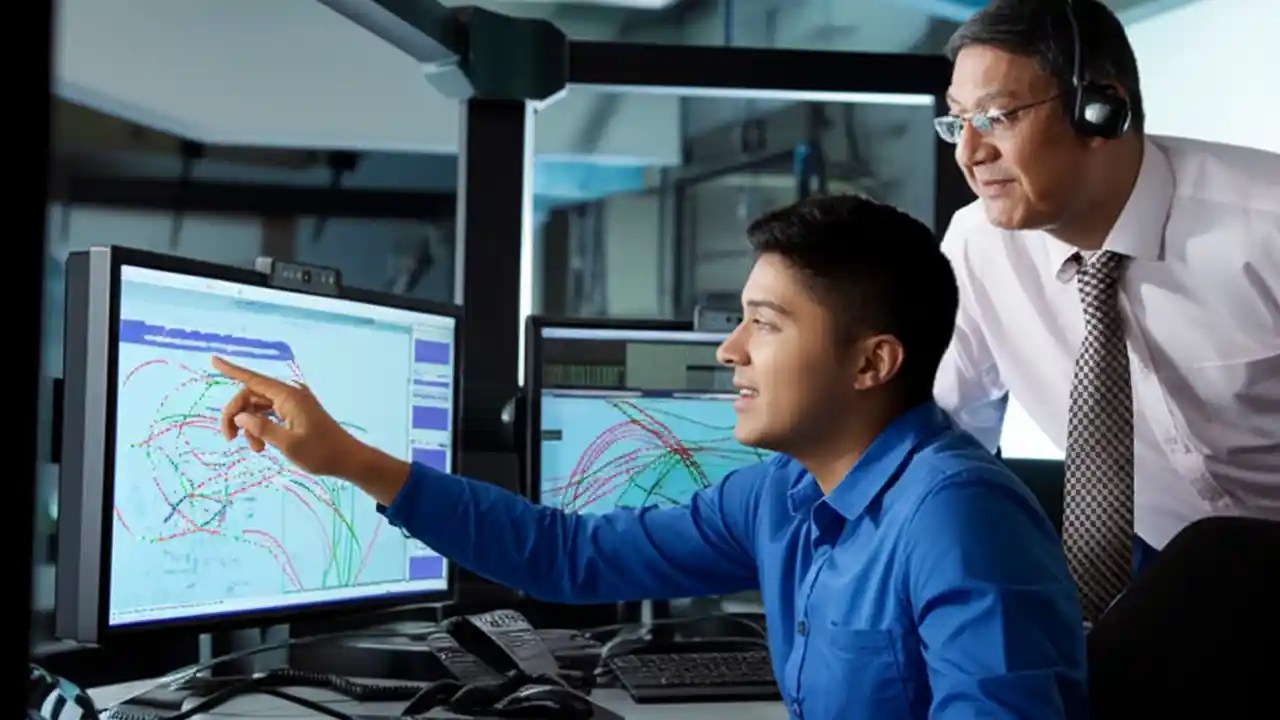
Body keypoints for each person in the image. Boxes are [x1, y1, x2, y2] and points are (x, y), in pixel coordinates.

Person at [211, 194, 1088, 719]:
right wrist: (351, 460)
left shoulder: (959, 515)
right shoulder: (781, 495)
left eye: (766, 324)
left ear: (873, 362)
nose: (729, 350)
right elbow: (570, 556)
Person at [933, 0, 1280, 624]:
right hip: (1157, 560)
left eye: (997, 116)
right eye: (959, 122)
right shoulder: (977, 244)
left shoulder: (1267, 225)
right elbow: (948, 439)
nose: (970, 152)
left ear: (1101, 108)